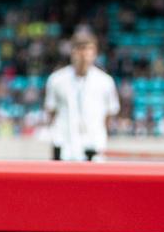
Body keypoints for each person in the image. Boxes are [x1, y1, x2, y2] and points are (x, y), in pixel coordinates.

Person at [45, 32, 119, 162]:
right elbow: (51, 112)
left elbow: (109, 114)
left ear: (95, 52)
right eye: (79, 48)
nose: (83, 54)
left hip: (93, 147)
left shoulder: (105, 82)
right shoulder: (57, 80)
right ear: (72, 51)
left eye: (88, 49)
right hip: (65, 147)